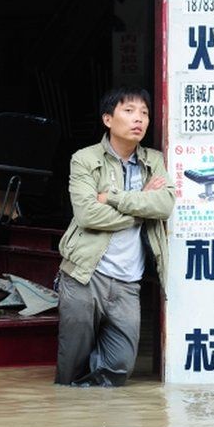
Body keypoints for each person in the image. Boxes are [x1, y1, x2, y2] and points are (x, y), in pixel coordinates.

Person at [55, 86, 175, 386]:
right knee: (70, 368)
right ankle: (75, 425)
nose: (140, 119)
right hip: (85, 274)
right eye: (129, 111)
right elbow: (87, 215)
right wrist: (141, 204)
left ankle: (99, 419)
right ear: (108, 119)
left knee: (119, 367)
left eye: (145, 113)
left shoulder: (154, 161)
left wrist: (113, 198)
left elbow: (165, 205)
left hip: (127, 281)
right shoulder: (84, 159)